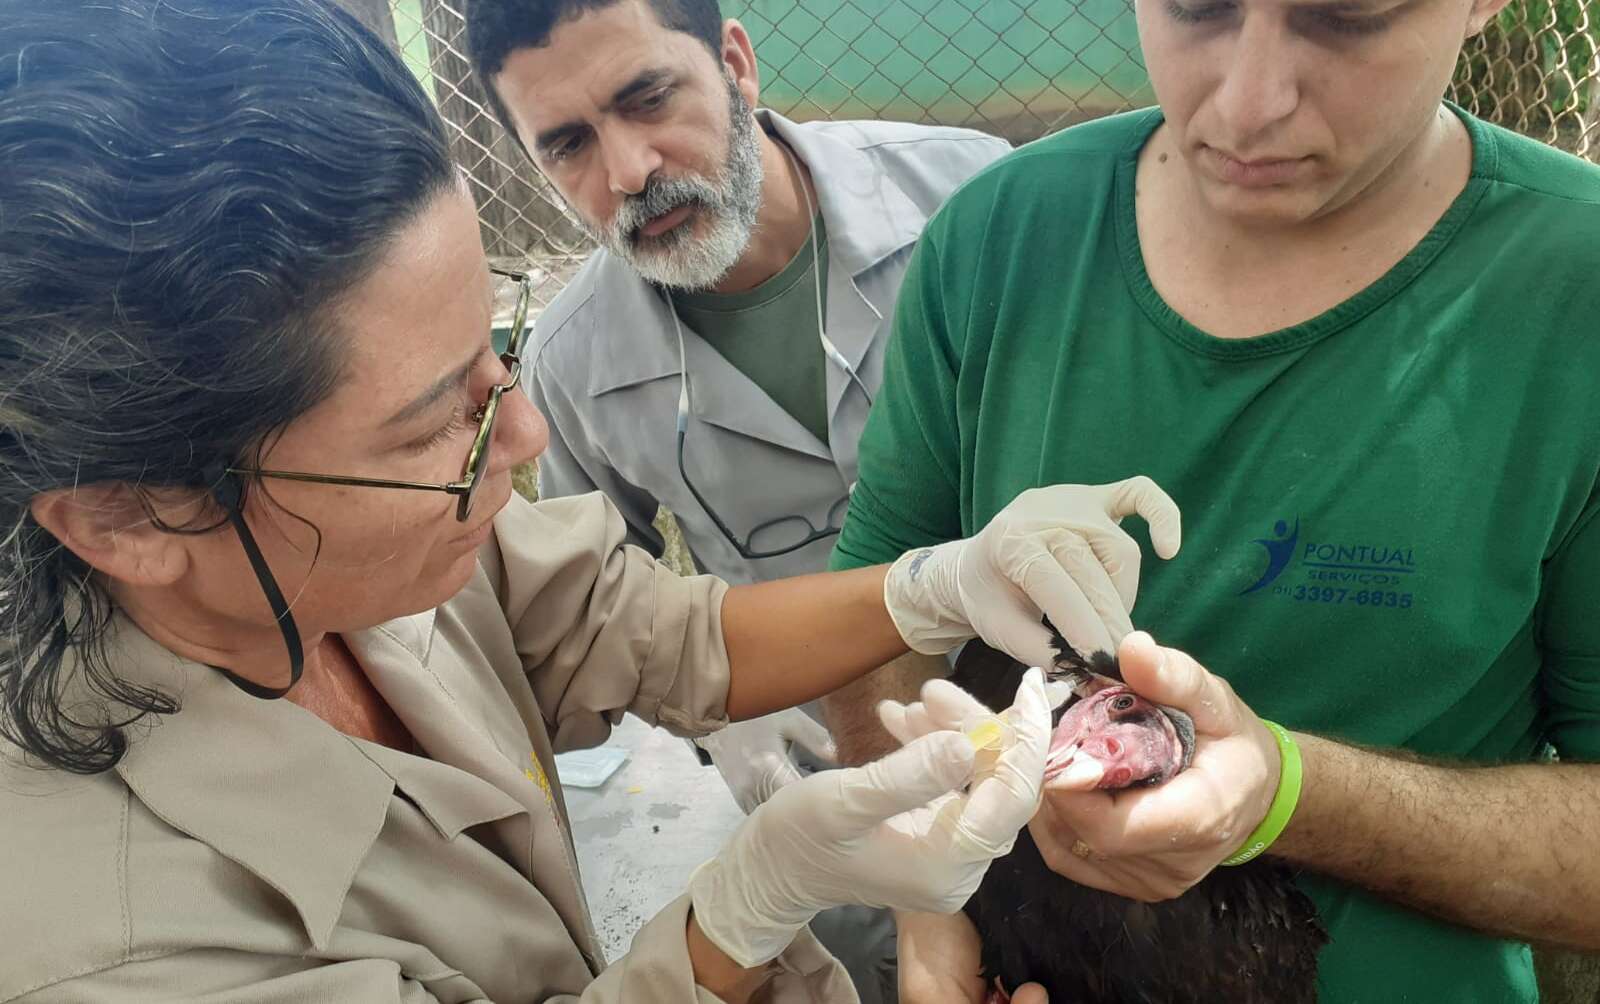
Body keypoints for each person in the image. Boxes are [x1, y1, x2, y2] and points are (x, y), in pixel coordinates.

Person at [0, 2, 1179, 1001]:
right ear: (128, 518)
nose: (520, 433)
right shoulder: (124, 945)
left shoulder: (365, 546)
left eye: (494, 358)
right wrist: (743, 903)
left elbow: (650, 629)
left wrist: (933, 581)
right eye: (431, 426)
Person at [828, 0, 1600, 999]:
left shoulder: (1570, 295)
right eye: (1194, 7)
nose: (1246, 105)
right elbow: (876, 615)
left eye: (1346, 18)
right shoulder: (996, 237)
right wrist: (927, 899)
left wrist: (1287, 792)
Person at [463, 4, 1010, 995]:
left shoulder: (969, 197)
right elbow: (582, 607)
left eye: (647, 97)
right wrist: (711, 719)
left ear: (735, 62)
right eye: (569, 145)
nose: (630, 170)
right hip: (826, 762)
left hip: (1050, 694)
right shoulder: (570, 368)